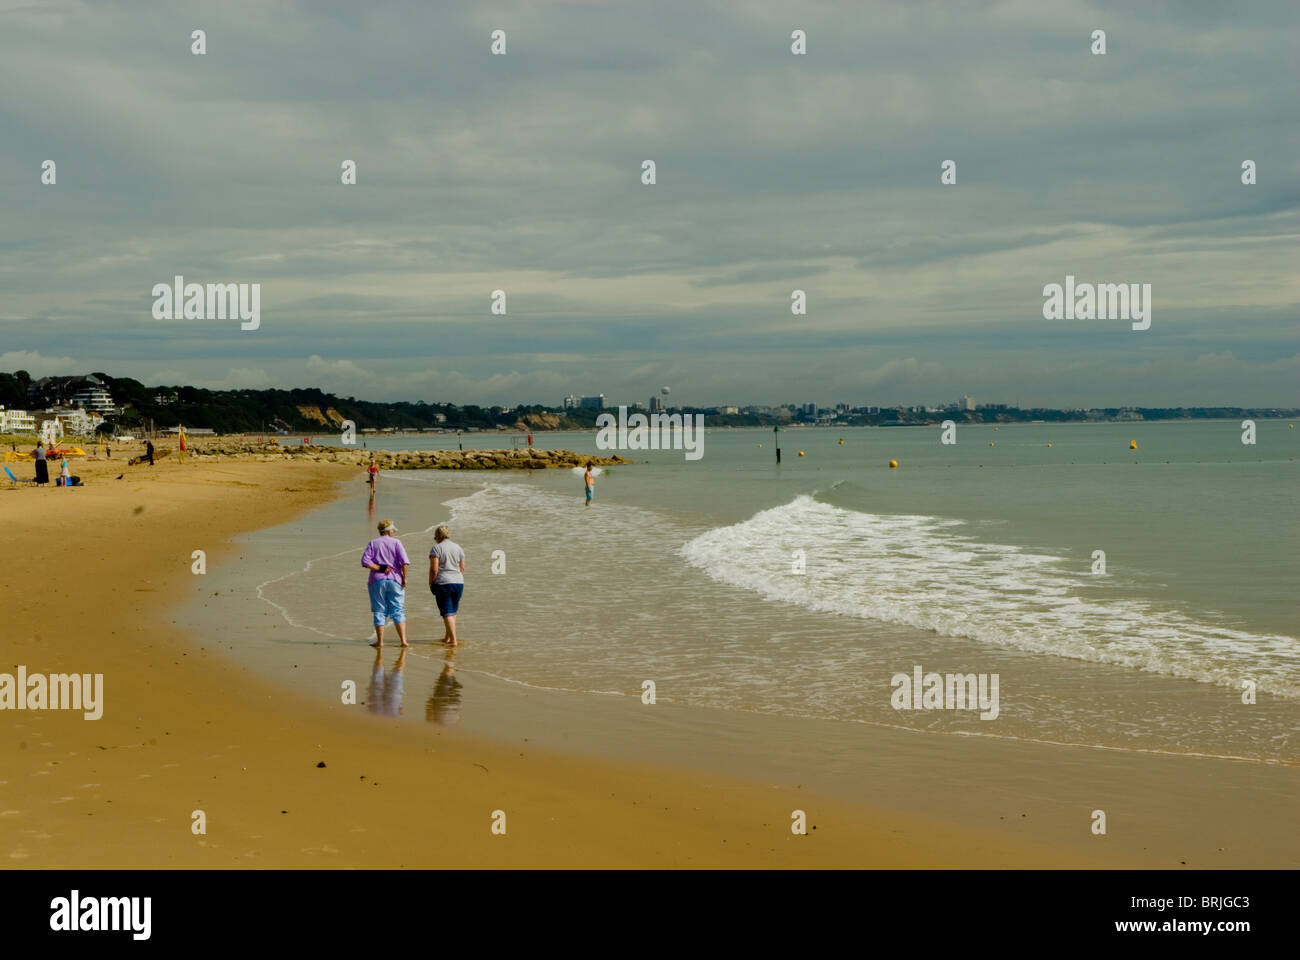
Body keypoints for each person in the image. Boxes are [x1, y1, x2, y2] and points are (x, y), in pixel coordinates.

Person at [361, 519, 410, 648]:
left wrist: (380, 568)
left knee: (379, 611)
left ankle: (380, 642)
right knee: (398, 610)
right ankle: (403, 641)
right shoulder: (397, 543)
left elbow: (365, 561)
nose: (393, 533)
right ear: (389, 531)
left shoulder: (373, 543)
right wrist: (404, 578)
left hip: (377, 581)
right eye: (393, 531)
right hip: (395, 580)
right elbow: (404, 563)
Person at [428, 525, 466, 645]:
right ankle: (448, 637)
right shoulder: (458, 548)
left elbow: (434, 569)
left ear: (437, 536)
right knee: (453, 611)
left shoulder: (436, 548)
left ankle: (453, 641)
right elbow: (462, 568)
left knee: (447, 612)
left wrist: (431, 582)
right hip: (459, 582)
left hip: (444, 582)